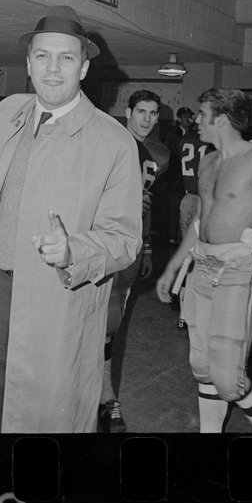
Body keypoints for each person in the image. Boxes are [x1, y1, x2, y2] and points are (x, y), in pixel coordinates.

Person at [0, 5, 142, 433]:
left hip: (59, 296)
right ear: (28, 64)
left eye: (66, 57)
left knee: (50, 412)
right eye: (42, 56)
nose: (53, 69)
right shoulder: (3, 114)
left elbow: (124, 239)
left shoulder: (114, 142)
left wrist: (75, 250)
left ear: (84, 67)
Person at [156, 88, 252, 433]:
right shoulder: (209, 159)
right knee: (202, 367)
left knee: (229, 380)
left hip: (239, 269)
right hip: (202, 266)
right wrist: (172, 268)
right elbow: (201, 220)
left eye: (202, 114)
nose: (196, 120)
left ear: (222, 119)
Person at [99, 90, 169, 432]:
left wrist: (147, 245)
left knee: (111, 324)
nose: (147, 118)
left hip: (130, 243)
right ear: (128, 111)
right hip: (100, 239)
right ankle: (104, 397)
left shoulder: (159, 153)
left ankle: (102, 396)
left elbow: (148, 204)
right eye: (141, 111)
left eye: (153, 113)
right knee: (89, 321)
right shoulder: (108, 139)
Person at [175, 116, 216, 330]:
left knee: (188, 256)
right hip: (204, 200)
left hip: (187, 198)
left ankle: (184, 314)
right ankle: (191, 312)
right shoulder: (211, 146)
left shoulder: (183, 142)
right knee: (201, 256)